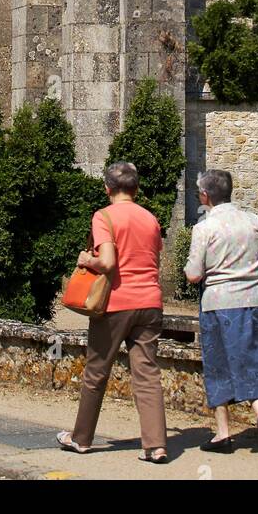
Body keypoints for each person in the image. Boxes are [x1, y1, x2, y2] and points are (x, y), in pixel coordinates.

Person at [57, 161, 168, 463]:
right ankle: (156, 445)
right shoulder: (150, 218)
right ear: (136, 188)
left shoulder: (103, 216)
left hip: (117, 303)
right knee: (147, 374)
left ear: (107, 188)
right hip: (150, 302)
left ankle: (81, 439)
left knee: (96, 371)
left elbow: (107, 262)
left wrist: (85, 259)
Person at [184, 168, 258, 455]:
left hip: (221, 303)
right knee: (250, 359)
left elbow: (193, 274)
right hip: (257, 301)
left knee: (219, 364)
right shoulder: (253, 220)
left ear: (205, 196)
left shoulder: (204, 228)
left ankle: (223, 434)